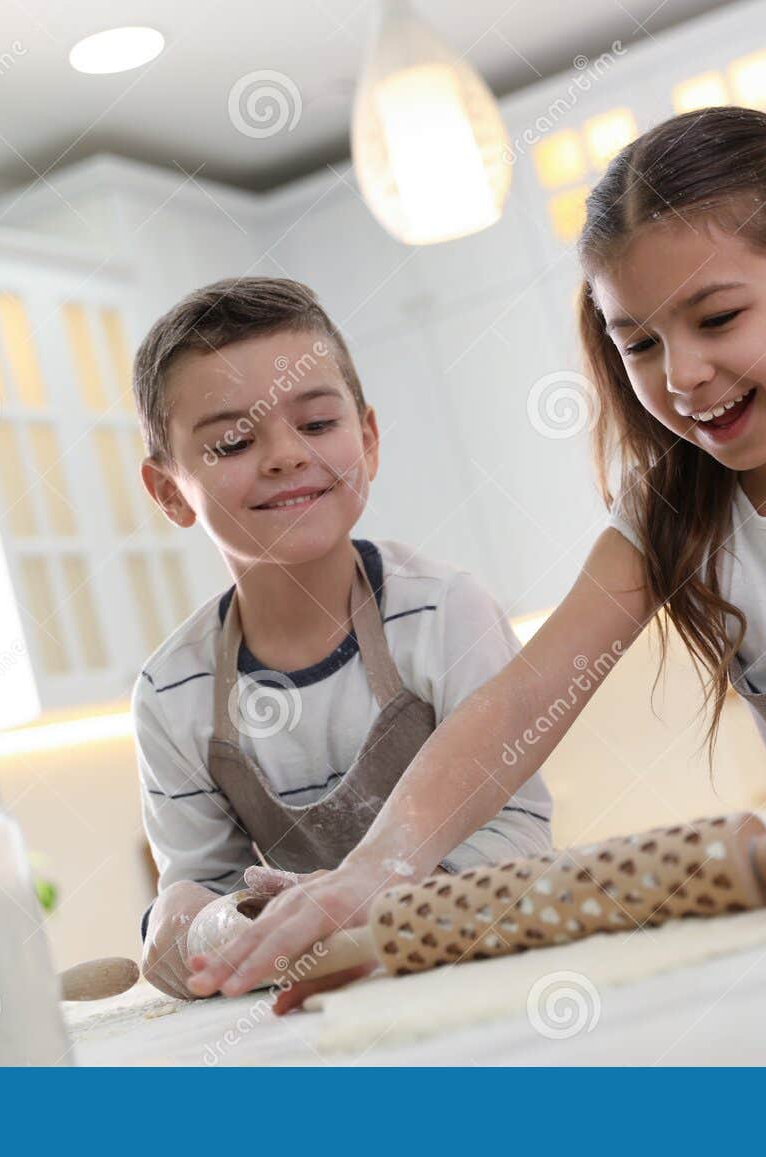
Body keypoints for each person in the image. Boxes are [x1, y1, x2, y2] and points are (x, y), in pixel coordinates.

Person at [187, 107, 766, 1009]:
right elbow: (520, 701)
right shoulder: (674, 513)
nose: (681, 375)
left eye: (716, 319)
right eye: (639, 341)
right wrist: (372, 874)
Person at [130, 277, 553, 999]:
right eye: (233, 440)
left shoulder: (444, 612)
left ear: (370, 438)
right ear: (170, 491)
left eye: (318, 424)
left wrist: (370, 911)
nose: (286, 455)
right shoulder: (172, 693)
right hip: (323, 1006)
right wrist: (187, 918)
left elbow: (516, 831)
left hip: (492, 968)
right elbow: (205, 888)